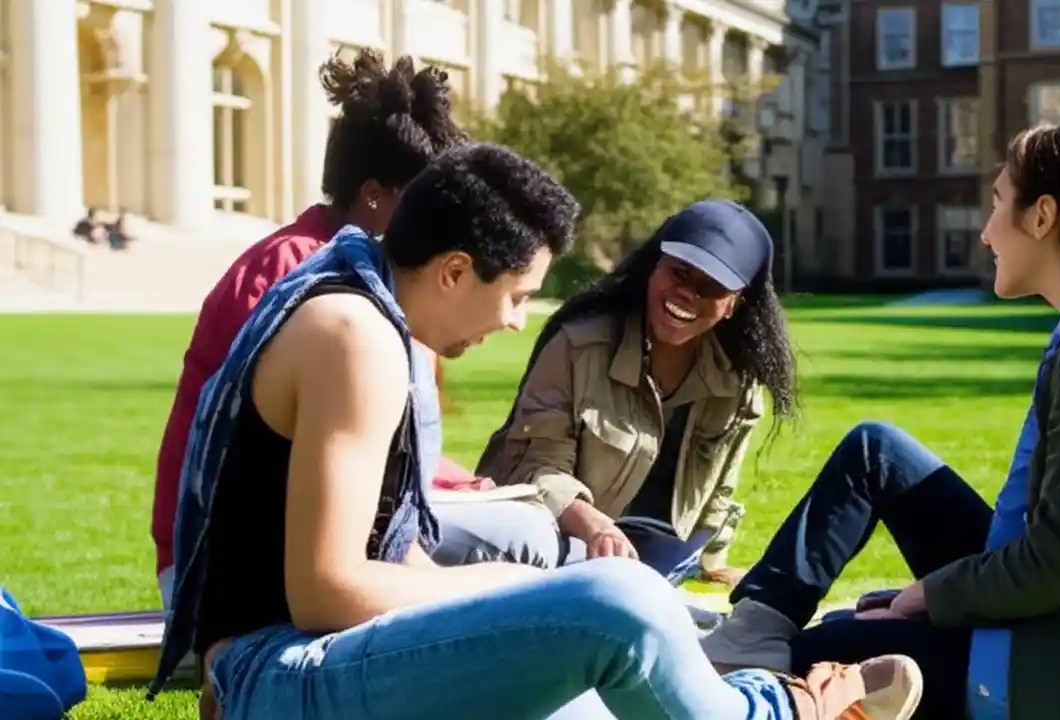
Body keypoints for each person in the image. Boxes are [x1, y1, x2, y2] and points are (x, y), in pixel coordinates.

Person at [147, 142, 924, 720]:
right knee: (615, 601)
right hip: (269, 675)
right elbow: (324, 592)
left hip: (303, 659)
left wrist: (512, 604)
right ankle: (783, 710)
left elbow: (394, 549)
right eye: (517, 295)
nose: (518, 322)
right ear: (454, 271)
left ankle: (759, 696)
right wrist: (509, 588)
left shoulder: (369, 310)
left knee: (593, 689)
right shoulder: (354, 338)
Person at [698, 124, 1060, 720]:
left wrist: (927, 595)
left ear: (1042, 216)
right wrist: (935, 597)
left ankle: (756, 663)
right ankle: (755, 625)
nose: (986, 233)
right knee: (874, 453)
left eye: (996, 204)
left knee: (814, 659)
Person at [149, 48, 557, 611]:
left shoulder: (387, 288)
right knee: (527, 543)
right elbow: (292, 469)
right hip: (229, 575)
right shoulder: (316, 287)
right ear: (374, 195)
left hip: (309, 552)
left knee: (533, 538)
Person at [476, 199, 797, 585]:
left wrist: (710, 567)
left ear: (733, 304)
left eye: (711, 287)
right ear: (654, 268)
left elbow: (718, 496)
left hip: (653, 566)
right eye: (679, 274)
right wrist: (597, 529)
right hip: (549, 543)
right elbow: (537, 469)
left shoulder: (737, 384)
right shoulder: (577, 348)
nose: (687, 294)